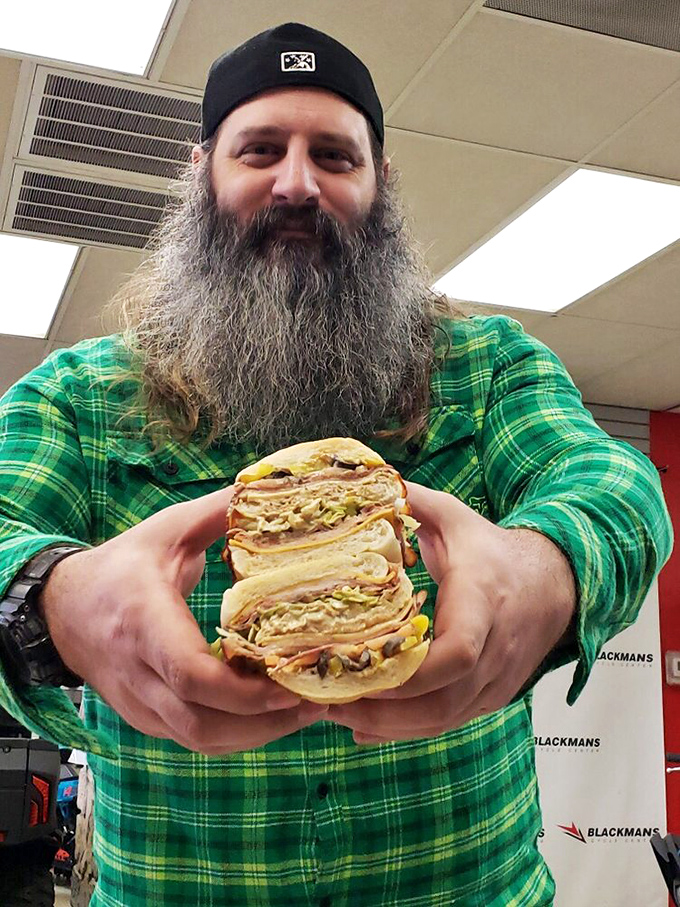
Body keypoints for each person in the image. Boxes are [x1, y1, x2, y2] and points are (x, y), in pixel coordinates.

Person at [0, 22, 672, 907]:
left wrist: (543, 567)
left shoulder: (487, 369)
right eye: (261, 150)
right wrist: (55, 597)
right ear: (202, 172)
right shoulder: (84, 397)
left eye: (334, 155)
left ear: (381, 183)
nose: (296, 183)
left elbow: (618, 489)